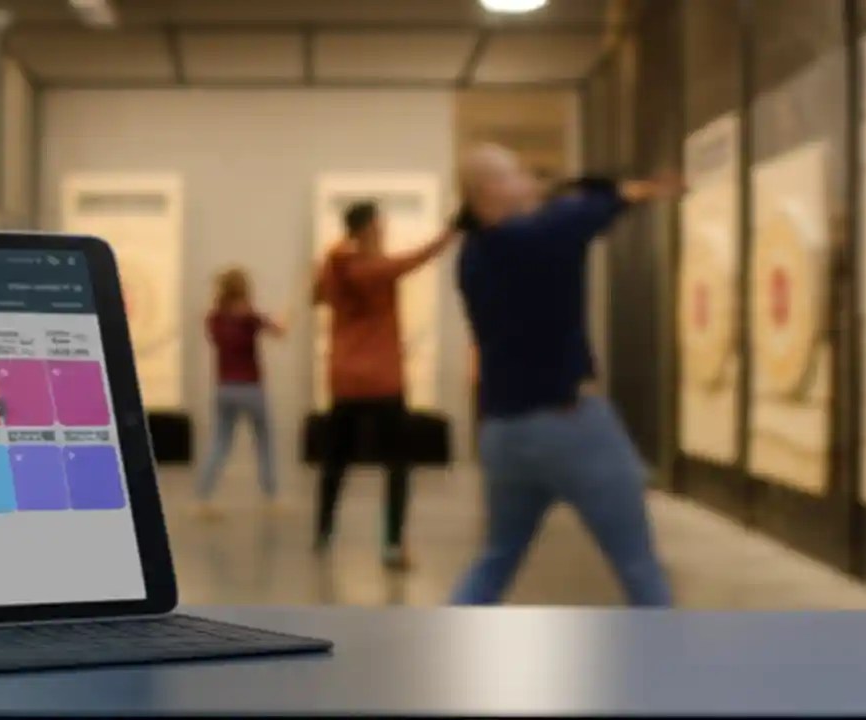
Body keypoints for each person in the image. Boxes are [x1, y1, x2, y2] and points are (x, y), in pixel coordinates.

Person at [451, 143, 681, 606]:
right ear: (489, 189)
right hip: (571, 426)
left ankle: (438, 652)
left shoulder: (472, 254)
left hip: (503, 434)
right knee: (638, 565)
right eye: (516, 174)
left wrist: (567, 192)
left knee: (496, 557)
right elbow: (591, 210)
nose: (528, 181)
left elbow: (571, 210)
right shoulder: (540, 236)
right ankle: (676, 668)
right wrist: (638, 190)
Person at [312, 200, 459, 569]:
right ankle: (392, 542)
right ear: (367, 229)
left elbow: (317, 295)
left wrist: (332, 255)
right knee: (397, 463)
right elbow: (414, 259)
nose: (384, 231)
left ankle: (323, 533)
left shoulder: (334, 266)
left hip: (344, 379)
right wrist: (452, 230)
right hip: (381, 380)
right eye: (379, 225)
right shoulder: (370, 269)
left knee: (336, 461)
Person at [194, 267, 285, 518]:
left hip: (224, 388)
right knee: (264, 442)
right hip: (251, 388)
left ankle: (203, 498)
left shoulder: (214, 318)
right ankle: (271, 498)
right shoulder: (250, 317)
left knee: (220, 443)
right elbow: (279, 330)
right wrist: (273, 321)